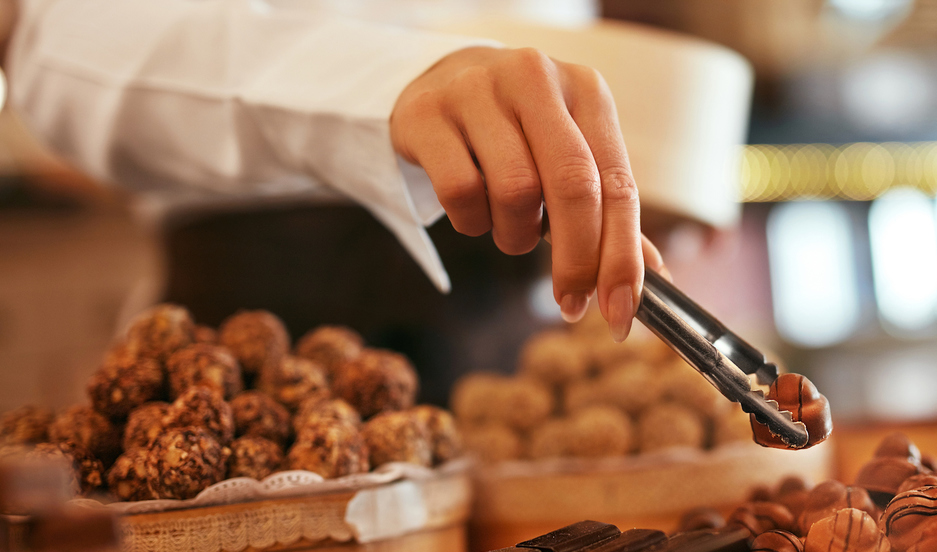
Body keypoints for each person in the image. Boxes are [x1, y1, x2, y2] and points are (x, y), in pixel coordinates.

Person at [6, 0, 666, 344]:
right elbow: (63, 40)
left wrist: (611, 190)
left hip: (511, 349)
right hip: (248, 346)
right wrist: (390, 85)